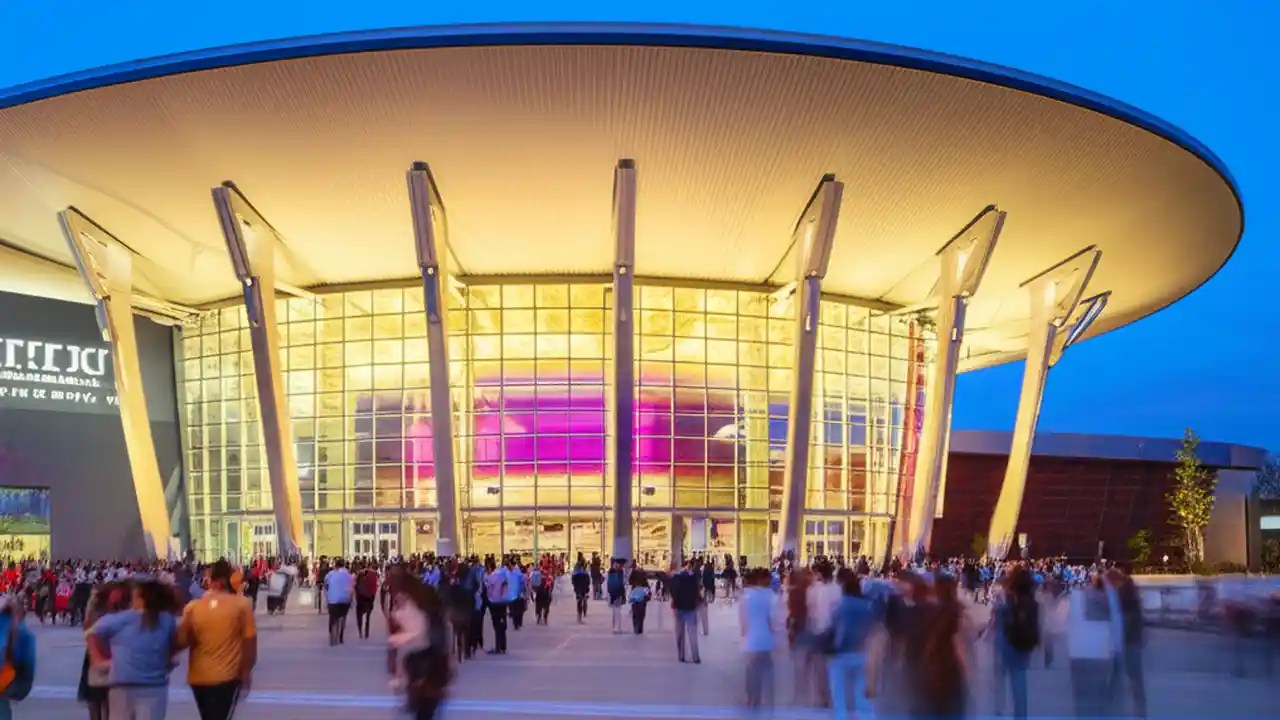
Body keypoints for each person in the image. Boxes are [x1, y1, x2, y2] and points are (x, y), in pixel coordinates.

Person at [176, 559, 257, 720]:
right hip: (226, 677)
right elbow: (249, 641)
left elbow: (181, 640)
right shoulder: (242, 605)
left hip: (198, 678)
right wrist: (246, 671)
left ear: (213, 581)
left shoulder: (193, 607)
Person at [88, 579, 179, 719]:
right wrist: (167, 661)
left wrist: (98, 659)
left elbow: (92, 632)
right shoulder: (167, 620)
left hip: (122, 684)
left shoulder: (120, 619)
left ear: (138, 597)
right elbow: (172, 644)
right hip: (154, 686)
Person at [388, 574, 452, 720]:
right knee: (426, 712)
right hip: (427, 673)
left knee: (424, 712)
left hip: (426, 672)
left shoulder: (428, 620)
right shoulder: (434, 619)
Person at [992, 566, 1039, 720]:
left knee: (1000, 675)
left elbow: (999, 619)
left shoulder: (1008, 597)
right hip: (1024, 643)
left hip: (1007, 641)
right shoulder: (1032, 600)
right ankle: (1021, 715)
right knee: (1019, 679)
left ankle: (998, 708)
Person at [1066, 575, 1117, 717]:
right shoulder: (1111, 600)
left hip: (1078, 653)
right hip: (1101, 654)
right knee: (1100, 697)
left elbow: (1068, 623)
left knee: (1081, 697)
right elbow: (1117, 627)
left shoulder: (1076, 597)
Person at [827, 572, 876, 720]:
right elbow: (872, 631)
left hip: (841, 655)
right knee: (862, 697)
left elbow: (834, 629)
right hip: (861, 654)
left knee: (839, 698)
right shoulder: (867, 606)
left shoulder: (840, 606)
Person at [739, 568, 775, 712]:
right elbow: (774, 619)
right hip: (766, 639)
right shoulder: (770, 596)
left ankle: (752, 699)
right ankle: (765, 700)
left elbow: (743, 621)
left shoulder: (746, 597)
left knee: (752, 671)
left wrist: (745, 636)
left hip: (751, 640)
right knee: (766, 670)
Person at [669, 560, 701, 663]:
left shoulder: (675, 578)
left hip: (678, 608)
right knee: (692, 633)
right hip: (691, 607)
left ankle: (681, 656)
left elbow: (672, 592)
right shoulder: (693, 577)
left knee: (679, 633)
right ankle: (695, 657)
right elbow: (697, 591)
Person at [326, 558, 354, 646]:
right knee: (343, 616)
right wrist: (351, 599)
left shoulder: (330, 574)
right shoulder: (348, 575)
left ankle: (332, 636)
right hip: (345, 599)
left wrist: (327, 597)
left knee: (333, 618)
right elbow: (351, 589)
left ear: (335, 565)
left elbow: (326, 586)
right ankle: (341, 634)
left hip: (332, 600)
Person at [483, 559, 509, 654]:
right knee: (502, 625)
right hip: (503, 602)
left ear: (489, 567)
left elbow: (488, 589)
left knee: (497, 625)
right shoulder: (502, 575)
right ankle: (503, 646)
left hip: (494, 603)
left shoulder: (490, 577)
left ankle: (498, 647)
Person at [355, 562, 379, 640]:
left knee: (359, 615)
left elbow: (356, 586)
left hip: (361, 597)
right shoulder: (374, 575)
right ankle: (366, 632)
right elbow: (375, 588)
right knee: (368, 616)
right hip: (369, 597)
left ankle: (360, 632)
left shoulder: (359, 574)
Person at [629, 566, 651, 634]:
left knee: (635, 611)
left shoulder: (634, 578)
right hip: (642, 595)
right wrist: (648, 596)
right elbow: (648, 589)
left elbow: (629, 581)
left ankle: (636, 626)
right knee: (641, 613)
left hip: (635, 593)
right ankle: (640, 627)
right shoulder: (644, 581)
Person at [606, 560, 626, 634]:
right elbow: (623, 583)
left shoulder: (611, 572)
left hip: (613, 593)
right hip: (617, 593)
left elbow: (607, 583)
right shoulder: (620, 572)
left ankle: (615, 627)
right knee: (617, 611)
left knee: (615, 611)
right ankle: (617, 628)